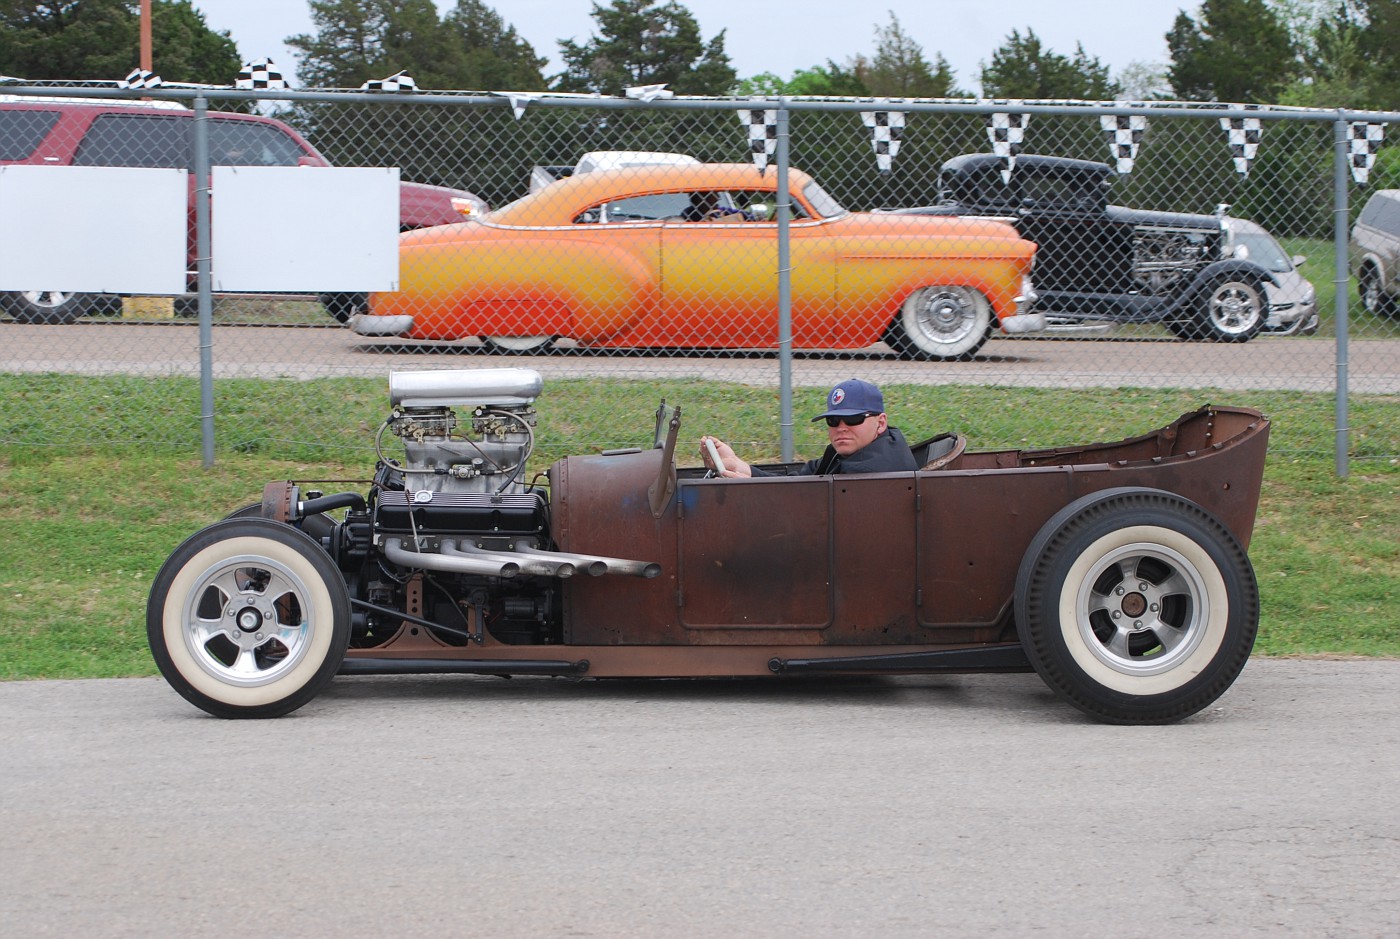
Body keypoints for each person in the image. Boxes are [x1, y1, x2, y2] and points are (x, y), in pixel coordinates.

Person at [701, 378, 919, 477]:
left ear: (880, 423)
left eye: (853, 419)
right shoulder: (860, 449)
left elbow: (805, 502)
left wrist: (748, 487)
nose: (842, 428)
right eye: (833, 421)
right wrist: (742, 468)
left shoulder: (865, 472)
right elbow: (801, 482)